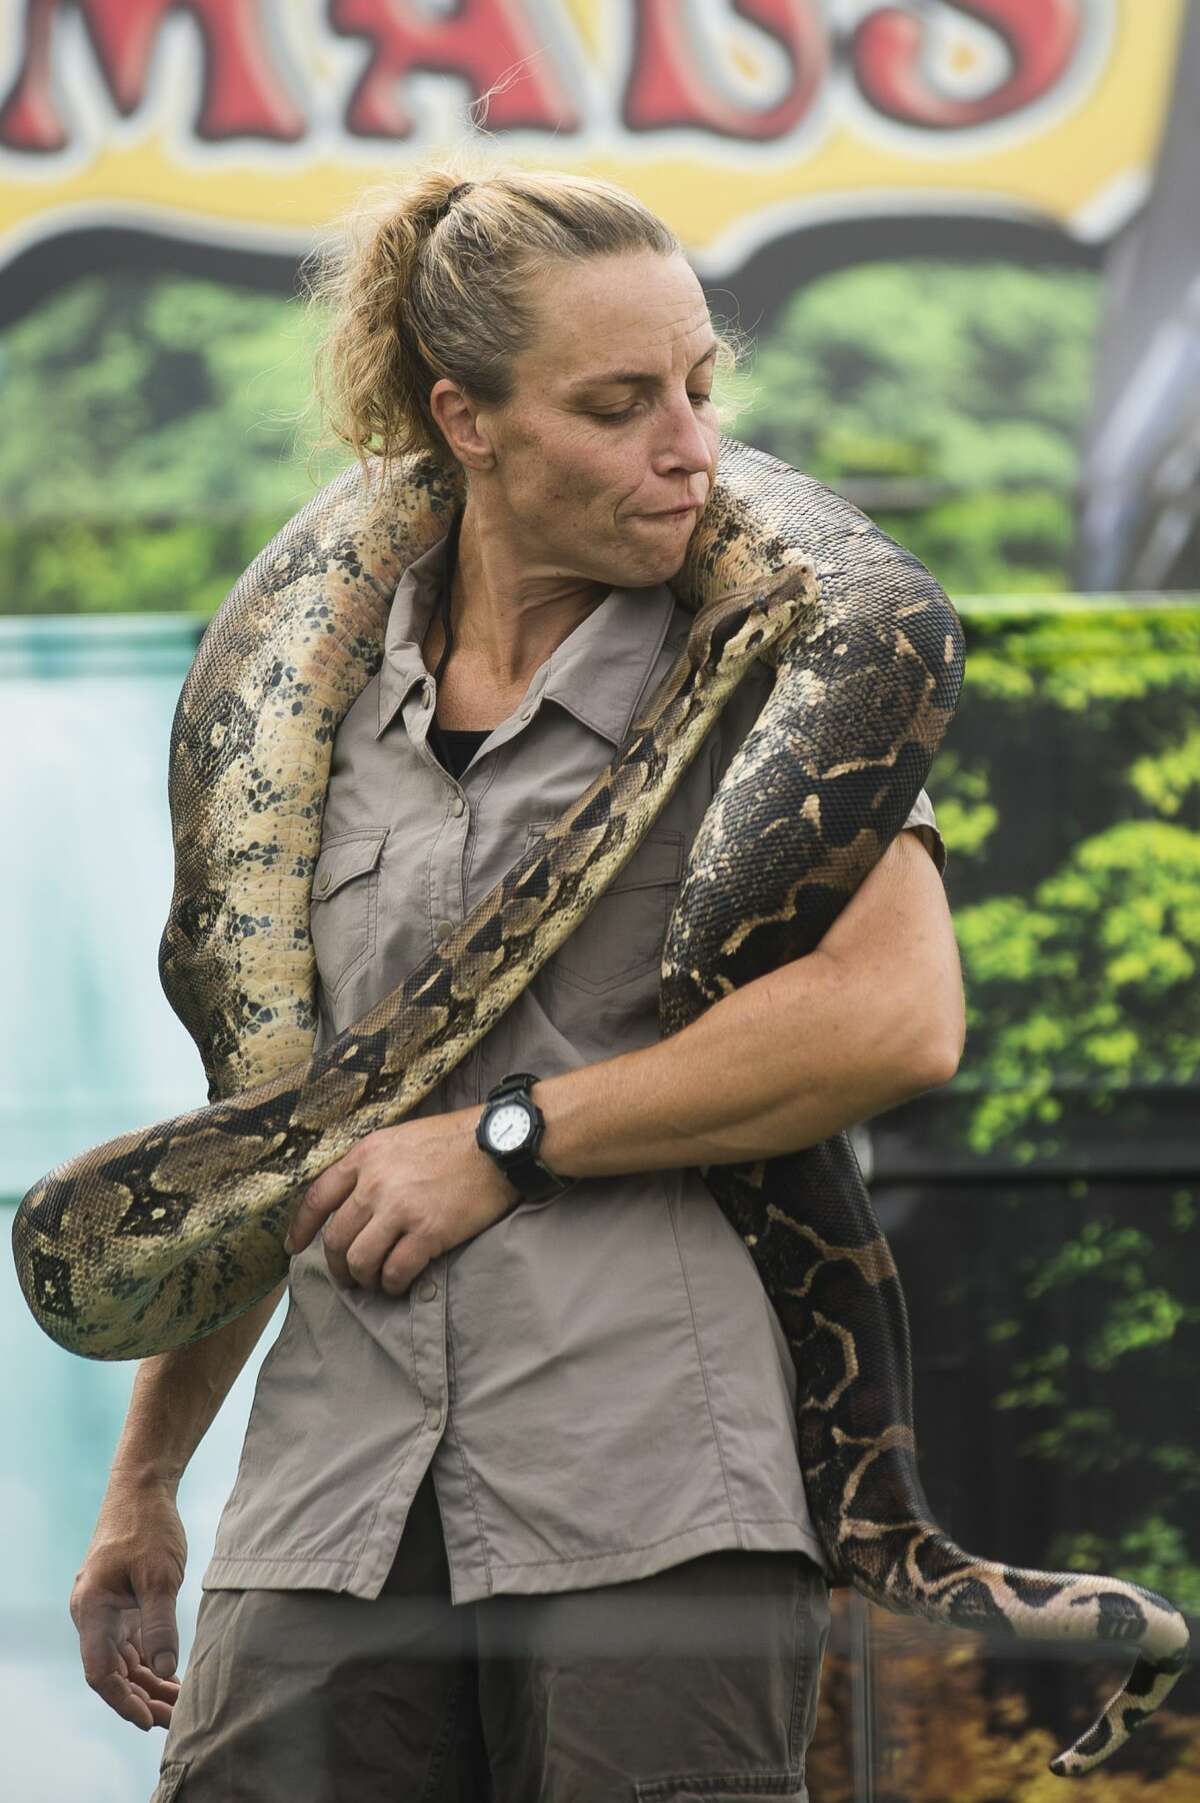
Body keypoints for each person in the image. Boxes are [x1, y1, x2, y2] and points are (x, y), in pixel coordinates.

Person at [70, 164, 964, 1802]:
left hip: (647, 1481)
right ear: (463, 421)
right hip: (330, 1496)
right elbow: (267, 1129)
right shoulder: (314, 722)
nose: (691, 445)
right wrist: (146, 1481)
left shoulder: (762, 670)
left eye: (701, 387)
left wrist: (504, 1140)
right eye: (619, 405)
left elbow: (893, 1016)